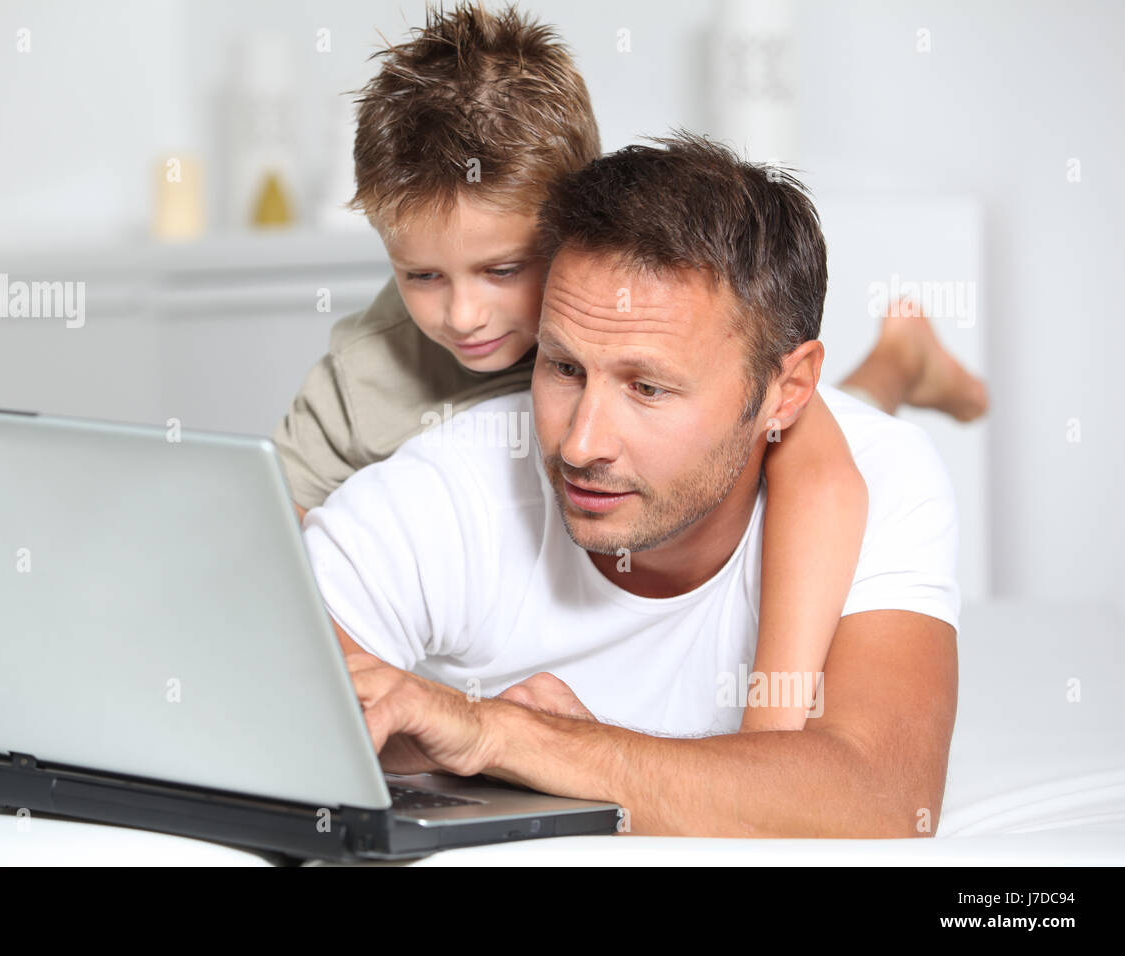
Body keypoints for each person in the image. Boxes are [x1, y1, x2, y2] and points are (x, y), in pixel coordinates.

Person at [273, 3, 985, 733]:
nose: (464, 316)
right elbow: (271, 541)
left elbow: (824, 480)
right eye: (421, 276)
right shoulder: (366, 376)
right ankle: (895, 360)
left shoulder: (617, 310)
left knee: (820, 425)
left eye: (504, 269)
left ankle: (899, 360)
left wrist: (769, 733)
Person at [303, 131, 964, 837]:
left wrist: (507, 736)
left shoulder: (884, 472)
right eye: (563, 368)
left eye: (647, 388)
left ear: (790, 386)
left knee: (857, 409)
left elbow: (886, 799)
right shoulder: (453, 484)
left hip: (805, 428)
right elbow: (249, 704)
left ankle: (900, 359)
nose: (580, 445)